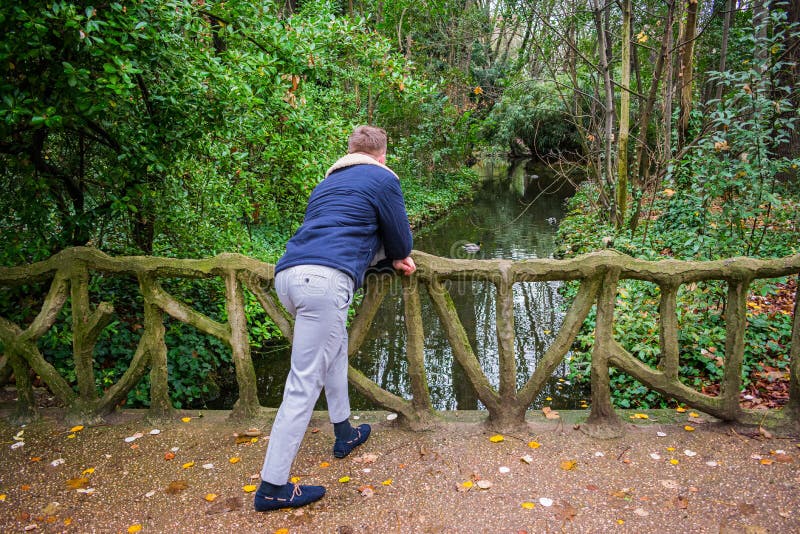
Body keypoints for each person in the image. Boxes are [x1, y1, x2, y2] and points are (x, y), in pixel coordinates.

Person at [254, 125, 416, 512]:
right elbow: (402, 242)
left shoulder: (325, 185)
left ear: (349, 152)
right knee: (302, 383)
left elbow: (338, 231)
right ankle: (272, 487)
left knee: (334, 351)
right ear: (381, 155)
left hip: (288, 277)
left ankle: (344, 432)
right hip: (324, 283)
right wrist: (394, 256)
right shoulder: (382, 178)